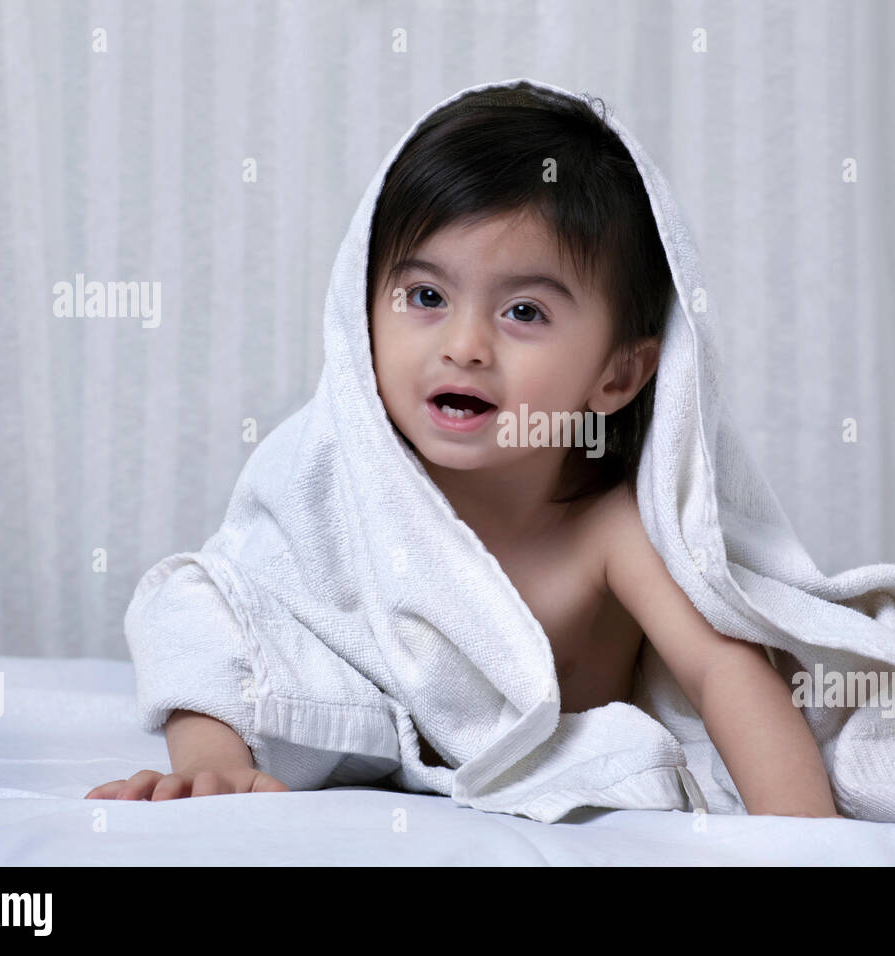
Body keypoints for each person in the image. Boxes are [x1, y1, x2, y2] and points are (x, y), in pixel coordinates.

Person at [87, 82, 840, 818]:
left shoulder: (610, 524)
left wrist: (806, 839)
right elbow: (239, 609)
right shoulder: (342, 481)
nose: (464, 346)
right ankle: (218, 767)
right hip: (370, 729)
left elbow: (721, 671)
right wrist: (215, 749)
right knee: (190, 599)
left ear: (616, 375)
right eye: (426, 297)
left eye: (523, 311)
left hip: (525, 757)